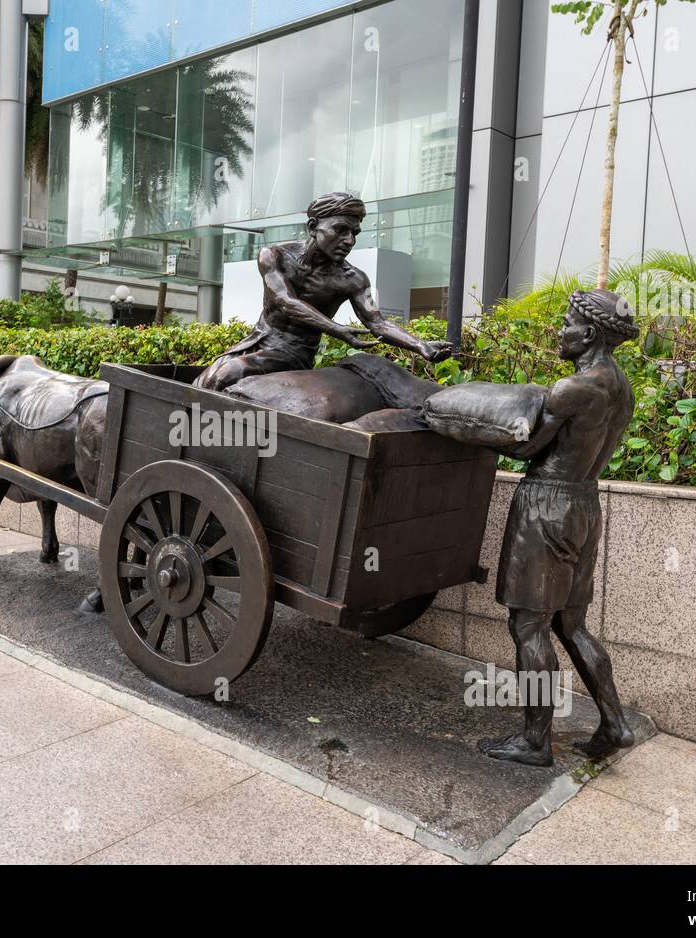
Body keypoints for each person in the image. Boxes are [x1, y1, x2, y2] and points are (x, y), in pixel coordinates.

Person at [478, 289, 639, 767]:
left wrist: (473, 431)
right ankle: (614, 723)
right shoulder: (621, 388)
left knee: (528, 625)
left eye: (567, 323)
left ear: (588, 333)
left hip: (547, 504)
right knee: (573, 625)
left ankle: (534, 742)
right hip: (585, 504)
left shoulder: (572, 389)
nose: (560, 331)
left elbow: (524, 448)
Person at [193, 192, 450, 391]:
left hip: (293, 354)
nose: (349, 240)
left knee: (227, 374)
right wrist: (337, 329)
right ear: (313, 227)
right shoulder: (274, 255)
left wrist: (421, 346)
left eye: (354, 233)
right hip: (257, 341)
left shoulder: (353, 279)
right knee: (203, 380)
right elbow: (285, 301)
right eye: (340, 230)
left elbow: (378, 323)